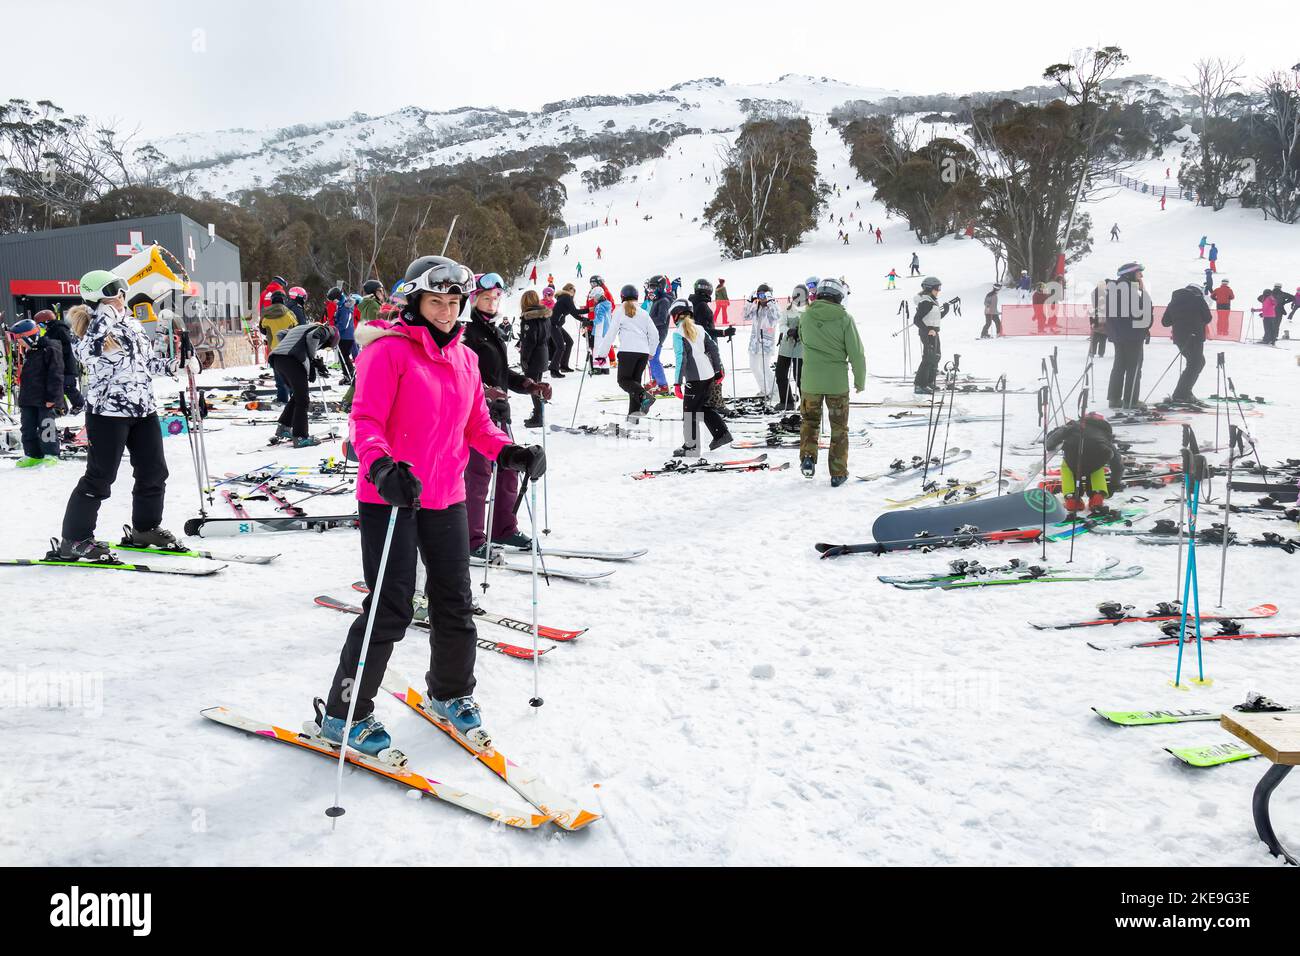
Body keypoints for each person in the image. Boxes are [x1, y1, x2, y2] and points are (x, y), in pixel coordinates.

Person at [319, 254, 546, 757]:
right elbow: (366, 421)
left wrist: (509, 451)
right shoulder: (389, 352)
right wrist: (381, 468)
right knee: (390, 607)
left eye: (452, 303)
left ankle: (451, 692)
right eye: (435, 302)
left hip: (447, 495)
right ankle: (344, 713)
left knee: (454, 602)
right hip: (392, 495)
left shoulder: (464, 357)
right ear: (415, 303)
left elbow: (476, 428)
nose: (445, 312)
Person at [56, 270, 185, 561]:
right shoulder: (85, 327)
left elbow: (147, 362)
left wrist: (176, 365)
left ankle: (145, 527)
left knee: (154, 472)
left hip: (143, 409)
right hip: (107, 413)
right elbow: (85, 355)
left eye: (122, 291)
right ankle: (75, 539)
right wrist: (105, 319)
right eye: (112, 293)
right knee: (100, 478)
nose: (120, 297)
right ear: (96, 298)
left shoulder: (132, 324)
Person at [460, 271, 551, 556]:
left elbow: (500, 373)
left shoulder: (492, 331)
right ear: (473, 300)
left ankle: (504, 528)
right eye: (485, 298)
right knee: (479, 474)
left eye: (495, 298)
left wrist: (528, 384)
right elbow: (459, 373)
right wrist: (483, 391)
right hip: (474, 414)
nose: (491, 303)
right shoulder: (466, 331)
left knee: (509, 469)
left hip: (500, 412)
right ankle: (472, 539)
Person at [797, 277, 865, 487]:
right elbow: (857, 353)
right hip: (837, 383)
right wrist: (859, 380)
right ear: (838, 297)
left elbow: (802, 339)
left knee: (809, 422)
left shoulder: (806, 317)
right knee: (839, 428)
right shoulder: (845, 319)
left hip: (810, 382)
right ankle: (837, 472)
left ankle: (808, 457)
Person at [670, 299, 730, 455]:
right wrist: (719, 370)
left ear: (676, 316)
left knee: (689, 412)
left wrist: (677, 383)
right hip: (708, 375)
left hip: (694, 379)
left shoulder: (677, 333)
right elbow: (713, 349)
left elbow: (680, 358)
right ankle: (721, 434)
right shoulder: (700, 328)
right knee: (701, 407)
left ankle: (691, 447)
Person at [270, 321, 339, 445]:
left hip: (277, 358)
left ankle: (284, 427)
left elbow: (281, 334)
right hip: (291, 360)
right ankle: (300, 437)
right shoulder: (326, 331)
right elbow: (312, 337)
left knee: (297, 396)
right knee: (303, 399)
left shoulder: (305, 327)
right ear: (332, 340)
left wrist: (307, 360)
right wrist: (311, 359)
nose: (322, 347)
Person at [596, 285, 659, 420]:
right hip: (642, 353)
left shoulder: (619, 311)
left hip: (627, 352)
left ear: (622, 296)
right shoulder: (643, 313)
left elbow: (611, 334)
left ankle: (645, 397)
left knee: (624, 381)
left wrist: (601, 354)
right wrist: (651, 351)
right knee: (634, 384)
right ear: (637, 296)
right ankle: (633, 416)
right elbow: (655, 334)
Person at [1045, 414, 1125, 514]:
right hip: (1098, 456)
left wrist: (1051, 444)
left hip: (1073, 457)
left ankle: (1072, 499)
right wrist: (1113, 487)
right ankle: (1097, 496)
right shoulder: (1104, 435)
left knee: (1067, 468)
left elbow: (1051, 441)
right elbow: (1118, 466)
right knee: (1097, 467)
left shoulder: (1073, 426)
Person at [10, 318, 62, 467]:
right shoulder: (30, 351)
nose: (18, 343)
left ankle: (51, 454)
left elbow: (56, 375)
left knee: (46, 425)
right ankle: (33, 454)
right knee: (27, 427)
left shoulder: (50, 348)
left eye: (20, 339)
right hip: (28, 397)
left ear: (29, 336)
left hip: (45, 397)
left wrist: (52, 397)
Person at [1103, 262, 1152, 409]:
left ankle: (1114, 398)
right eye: (1139, 273)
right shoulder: (1129, 291)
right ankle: (1131, 401)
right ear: (1130, 274)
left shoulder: (1114, 289)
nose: (1141, 276)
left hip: (1119, 335)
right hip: (1133, 335)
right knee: (1134, 367)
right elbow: (1145, 313)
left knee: (1119, 366)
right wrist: (1144, 292)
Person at [1162, 284, 1212, 405]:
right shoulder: (1198, 299)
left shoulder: (1174, 301)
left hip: (1179, 338)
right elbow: (1208, 318)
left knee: (1196, 363)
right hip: (1195, 336)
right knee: (1196, 363)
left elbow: (1165, 322)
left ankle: (1184, 392)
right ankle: (1181, 394)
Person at [516, 287, 551, 428]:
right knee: (538, 385)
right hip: (543, 352)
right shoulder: (544, 315)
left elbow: (529, 341)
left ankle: (538, 416)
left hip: (533, 356)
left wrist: (524, 358)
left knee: (533, 386)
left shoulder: (529, 318)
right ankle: (538, 413)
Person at [35, 308, 82, 413]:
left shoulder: (60, 329)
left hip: (66, 363)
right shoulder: (51, 331)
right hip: (57, 363)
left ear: (47, 321)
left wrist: (54, 348)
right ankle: (61, 408)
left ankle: (79, 404)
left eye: (41, 324)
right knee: (58, 388)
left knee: (68, 386)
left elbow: (67, 345)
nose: (42, 327)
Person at [911, 276, 952, 394]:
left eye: (939, 288)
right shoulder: (926, 302)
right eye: (937, 288)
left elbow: (935, 318)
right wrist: (927, 330)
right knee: (928, 358)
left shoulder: (932, 300)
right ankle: (919, 385)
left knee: (936, 357)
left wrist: (945, 310)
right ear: (929, 288)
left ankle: (929, 382)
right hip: (928, 333)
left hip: (934, 332)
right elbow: (917, 320)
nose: (939, 290)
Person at [258, 291, 299, 404]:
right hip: (289, 349)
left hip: (274, 349)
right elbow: (296, 327)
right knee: (291, 375)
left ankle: (282, 398)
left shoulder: (265, 313)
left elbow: (262, 329)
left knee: (279, 375)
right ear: (283, 300)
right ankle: (293, 398)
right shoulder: (289, 313)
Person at [744, 284, 781, 402]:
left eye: (764, 295)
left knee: (765, 368)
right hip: (755, 343)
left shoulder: (773, 306)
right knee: (754, 367)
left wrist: (770, 302)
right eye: (759, 295)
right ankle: (764, 390)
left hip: (766, 343)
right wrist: (750, 302)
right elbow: (745, 316)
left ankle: (776, 392)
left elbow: (776, 317)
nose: (761, 298)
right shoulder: (756, 307)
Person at [775, 284, 806, 411]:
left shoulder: (808, 310)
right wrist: (788, 331)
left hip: (800, 347)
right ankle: (786, 400)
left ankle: (805, 402)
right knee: (780, 373)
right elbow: (781, 324)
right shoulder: (787, 309)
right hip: (786, 346)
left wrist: (800, 331)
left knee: (799, 376)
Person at [548, 283, 585, 374]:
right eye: (572, 289)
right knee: (560, 347)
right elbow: (575, 311)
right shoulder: (566, 297)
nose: (574, 291)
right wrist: (589, 310)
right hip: (553, 325)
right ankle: (553, 369)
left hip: (557, 325)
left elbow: (574, 314)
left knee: (569, 342)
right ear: (568, 289)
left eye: (574, 290)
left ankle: (564, 366)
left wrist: (585, 320)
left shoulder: (565, 298)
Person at [644, 274, 672, 392]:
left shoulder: (664, 301)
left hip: (659, 334)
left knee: (653, 358)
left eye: (653, 288)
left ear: (660, 287)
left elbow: (662, 319)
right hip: (653, 333)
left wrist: (646, 322)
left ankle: (663, 385)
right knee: (650, 357)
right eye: (649, 288)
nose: (651, 291)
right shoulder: (657, 300)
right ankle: (655, 379)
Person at [1088, 281, 1108, 358]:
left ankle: (1101, 353)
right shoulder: (1096, 309)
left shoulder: (1107, 310)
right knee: (1094, 340)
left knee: (1102, 341)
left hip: (1104, 328)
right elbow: (1091, 315)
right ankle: (1092, 352)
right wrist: (1092, 323)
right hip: (1097, 327)